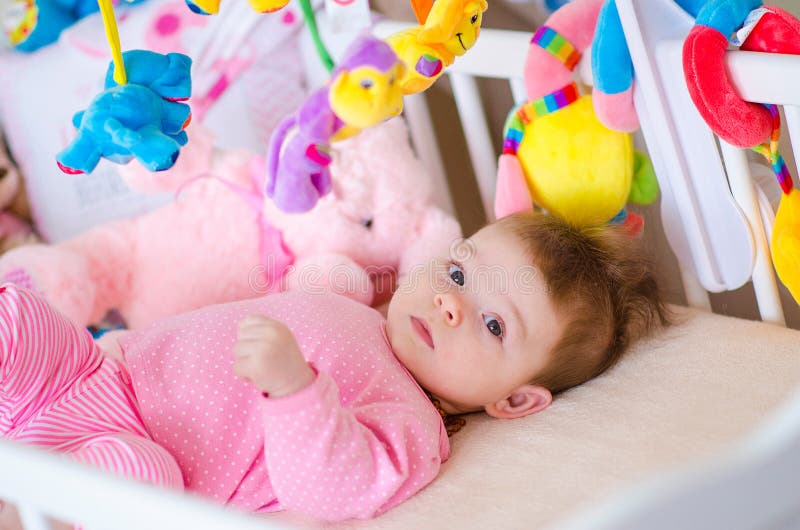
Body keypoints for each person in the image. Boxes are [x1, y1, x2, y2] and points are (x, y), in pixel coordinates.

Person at [0, 211, 668, 528]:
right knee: (21, 315)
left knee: (118, 486)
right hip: (94, 369)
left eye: (494, 325)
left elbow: (331, 487)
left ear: (515, 401)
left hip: (132, 453)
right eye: (459, 272)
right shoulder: (365, 306)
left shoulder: (414, 427)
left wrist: (294, 391)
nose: (449, 303)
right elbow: (294, 290)